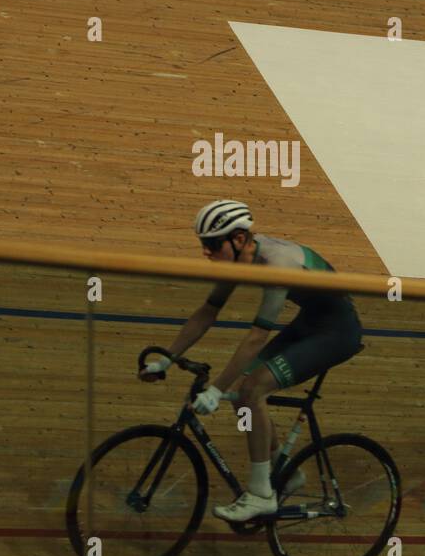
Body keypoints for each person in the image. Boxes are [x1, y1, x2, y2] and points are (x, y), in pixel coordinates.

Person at [142, 200, 362, 522]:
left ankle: (261, 495)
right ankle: (282, 470)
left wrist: (216, 389)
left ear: (240, 239)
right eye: (204, 244)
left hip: (337, 333)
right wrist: (167, 357)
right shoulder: (240, 257)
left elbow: (256, 337)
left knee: (253, 388)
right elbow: (208, 312)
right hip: (312, 321)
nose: (207, 252)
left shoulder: (277, 265)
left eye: (213, 245)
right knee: (243, 396)